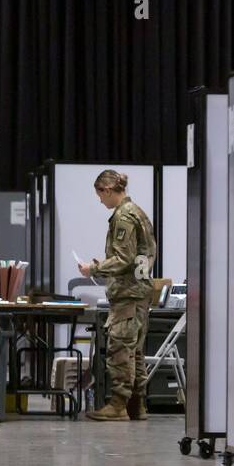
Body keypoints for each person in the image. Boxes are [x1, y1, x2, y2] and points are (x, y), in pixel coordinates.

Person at [78, 169, 157, 421]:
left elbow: (124, 259)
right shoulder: (138, 213)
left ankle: (118, 405)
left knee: (120, 349)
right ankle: (137, 405)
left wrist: (95, 268)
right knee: (134, 351)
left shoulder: (123, 217)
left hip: (128, 293)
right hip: (140, 292)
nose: (100, 201)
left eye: (100, 195)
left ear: (108, 190)